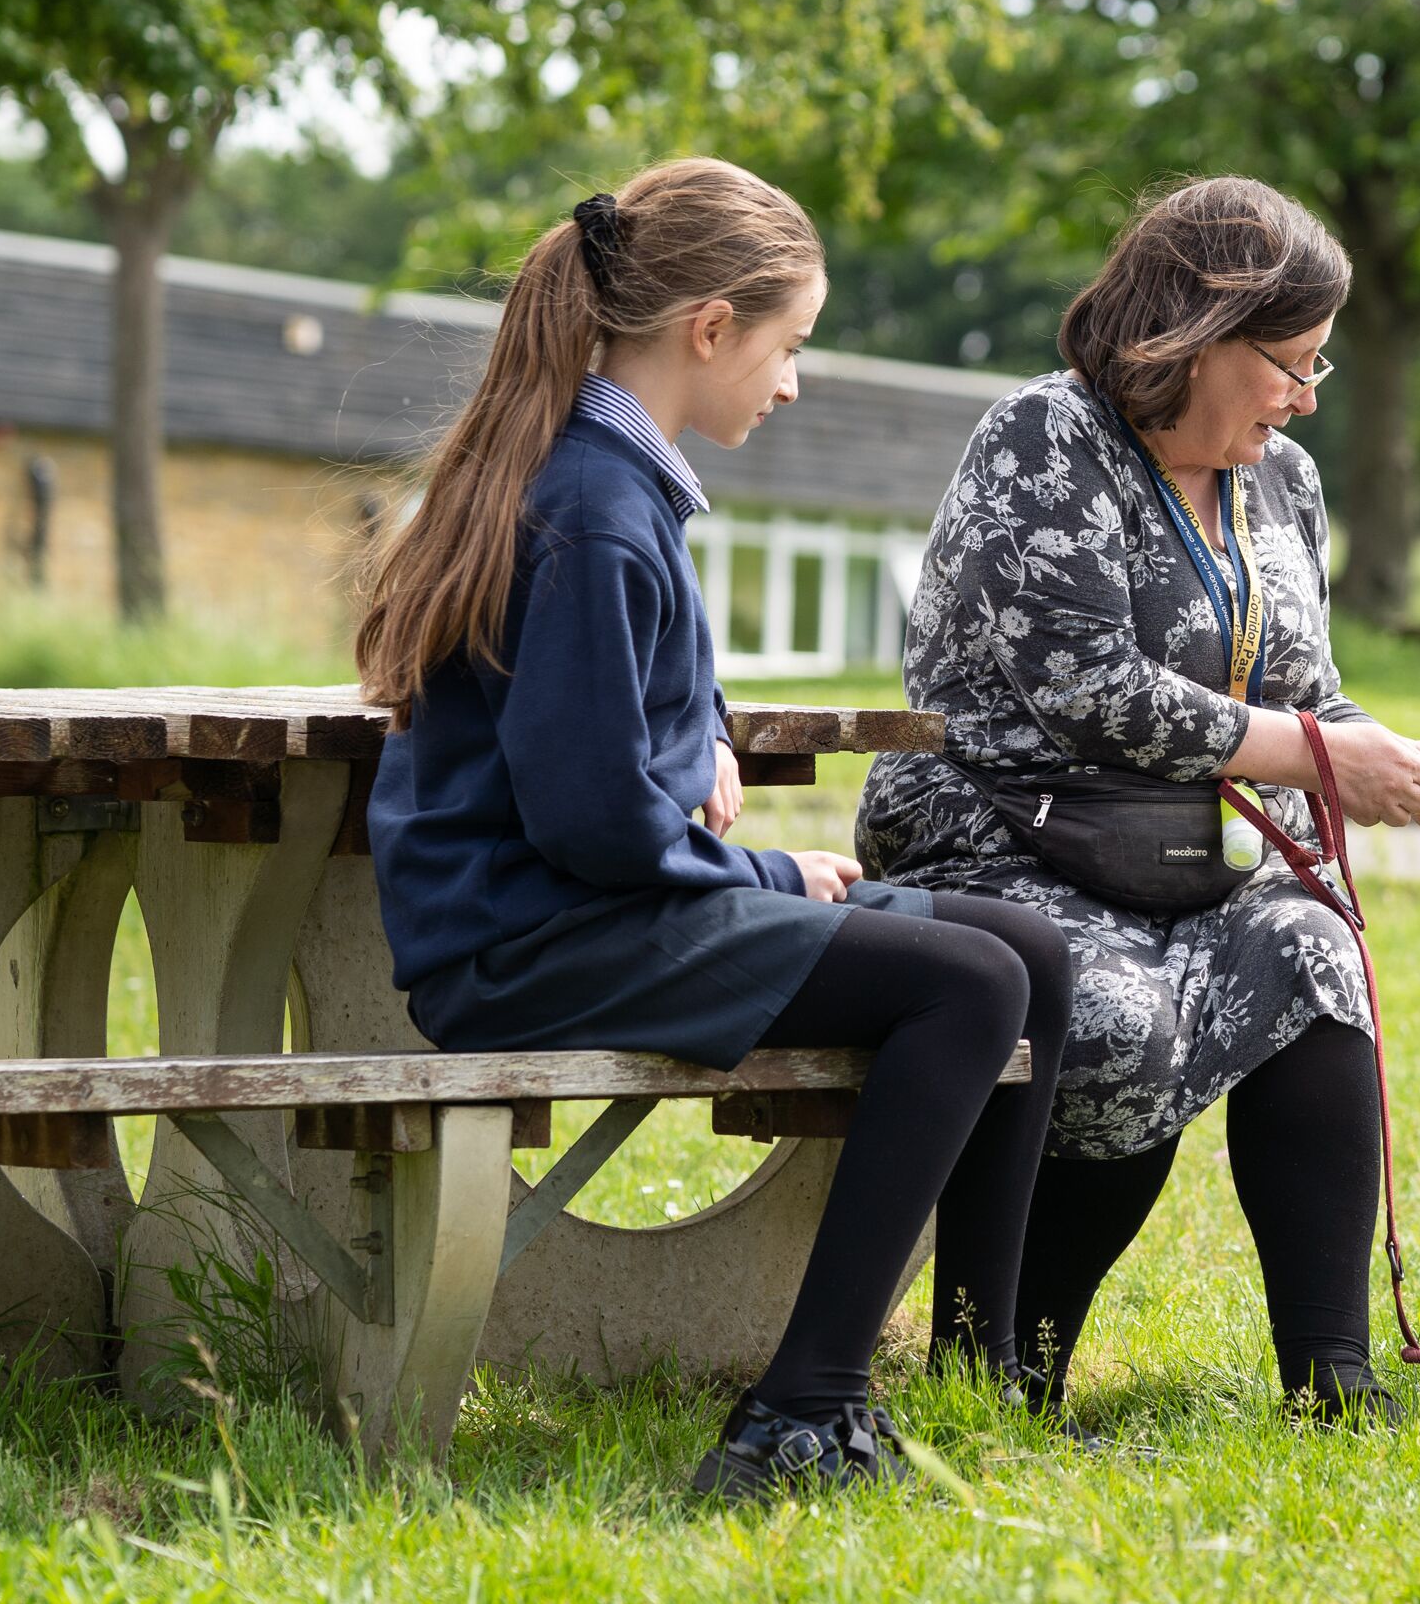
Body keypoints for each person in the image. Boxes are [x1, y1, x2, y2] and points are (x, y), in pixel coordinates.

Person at [355, 158, 1074, 1499]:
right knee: (969, 982)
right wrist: (771, 870)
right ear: (708, 328)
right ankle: (800, 1414)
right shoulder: (593, 508)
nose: (791, 381)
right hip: (532, 936)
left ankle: (989, 1376)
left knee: (1032, 952)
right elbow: (591, 821)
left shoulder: (611, 481)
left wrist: (697, 749)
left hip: (584, 907)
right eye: (788, 344)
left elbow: (626, 726)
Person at [855, 177, 1420, 1426]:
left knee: (1316, 958)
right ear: (1198, 334)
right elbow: (1089, 691)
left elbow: (1311, 696)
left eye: (1321, 369)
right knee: (1122, 1025)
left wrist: (1387, 753)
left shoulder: (1285, 481)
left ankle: (1335, 1378)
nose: (1306, 397)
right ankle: (1001, 1368)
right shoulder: (1044, 437)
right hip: (1000, 847)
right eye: (1291, 364)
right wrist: (1317, 755)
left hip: (1175, 860)